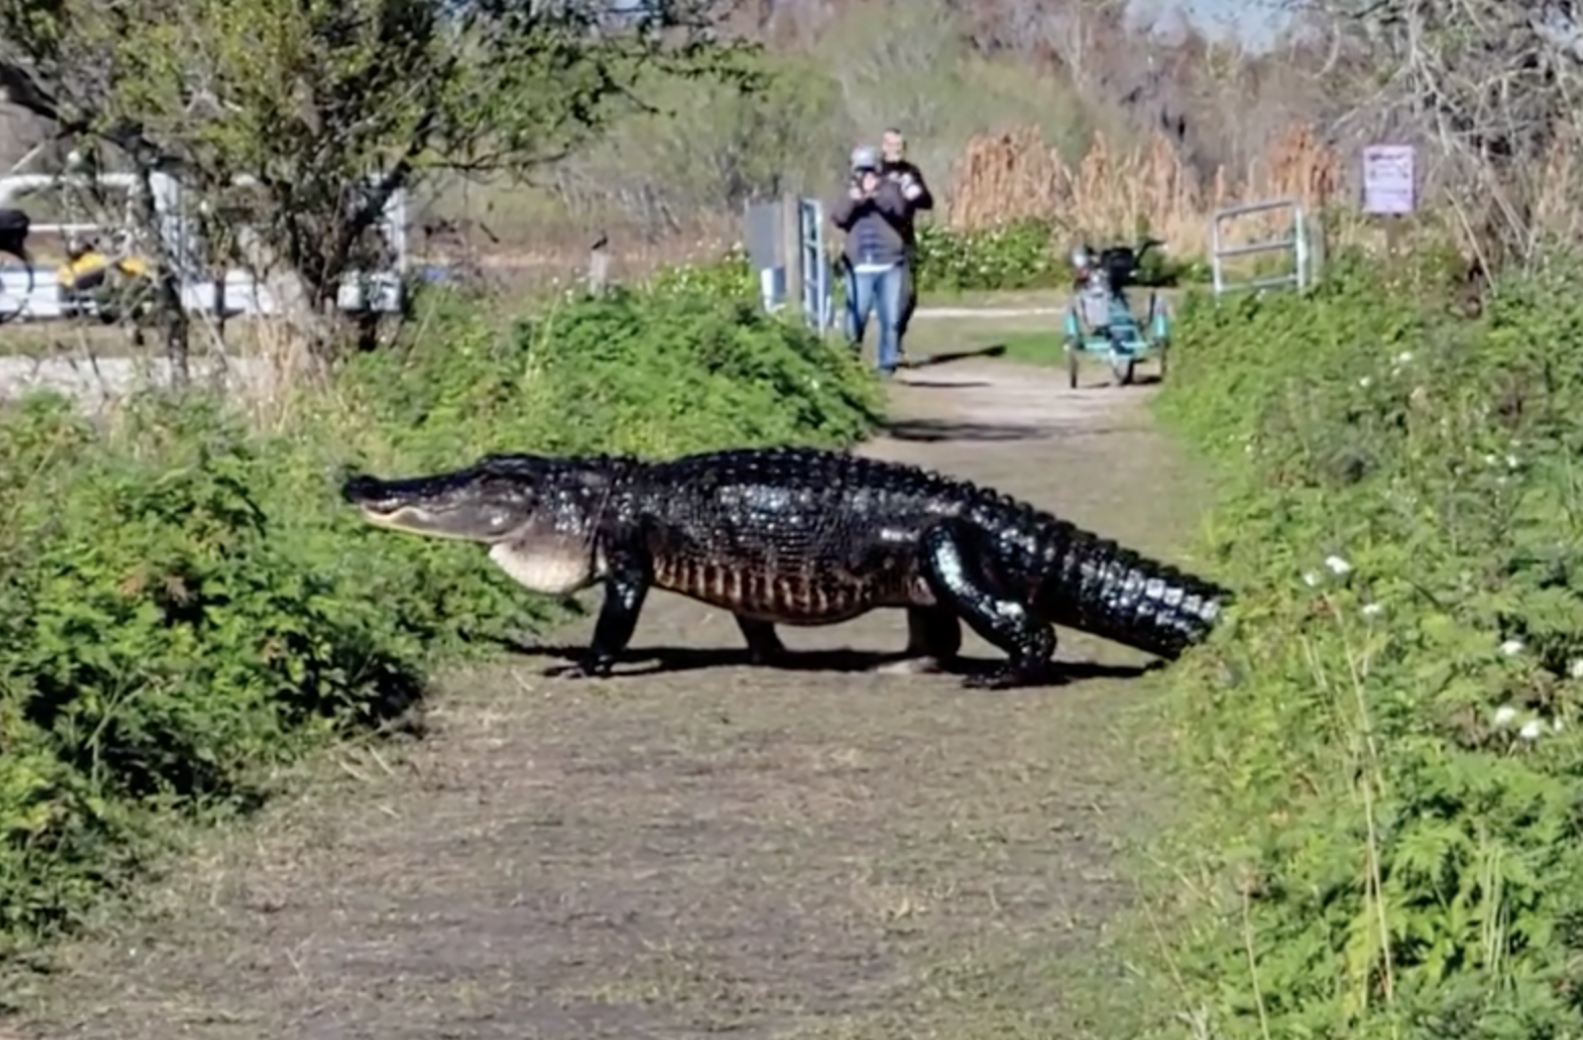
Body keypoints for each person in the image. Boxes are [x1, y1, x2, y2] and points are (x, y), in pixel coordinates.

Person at [831, 144, 911, 377]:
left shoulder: (890, 188)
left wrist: (876, 195)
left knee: (890, 320)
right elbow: (838, 217)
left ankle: (886, 367)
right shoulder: (849, 191)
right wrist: (855, 200)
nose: (865, 175)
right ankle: (848, 364)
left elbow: (900, 211)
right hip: (860, 265)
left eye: (869, 169)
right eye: (860, 170)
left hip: (890, 264)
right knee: (855, 318)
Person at [879, 128, 933, 342]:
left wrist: (912, 192)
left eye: (901, 146)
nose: (897, 150)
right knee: (879, 295)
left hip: (905, 239)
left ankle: (894, 338)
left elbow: (927, 202)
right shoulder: (875, 171)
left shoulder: (911, 171)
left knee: (908, 296)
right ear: (884, 146)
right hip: (880, 240)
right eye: (892, 145)